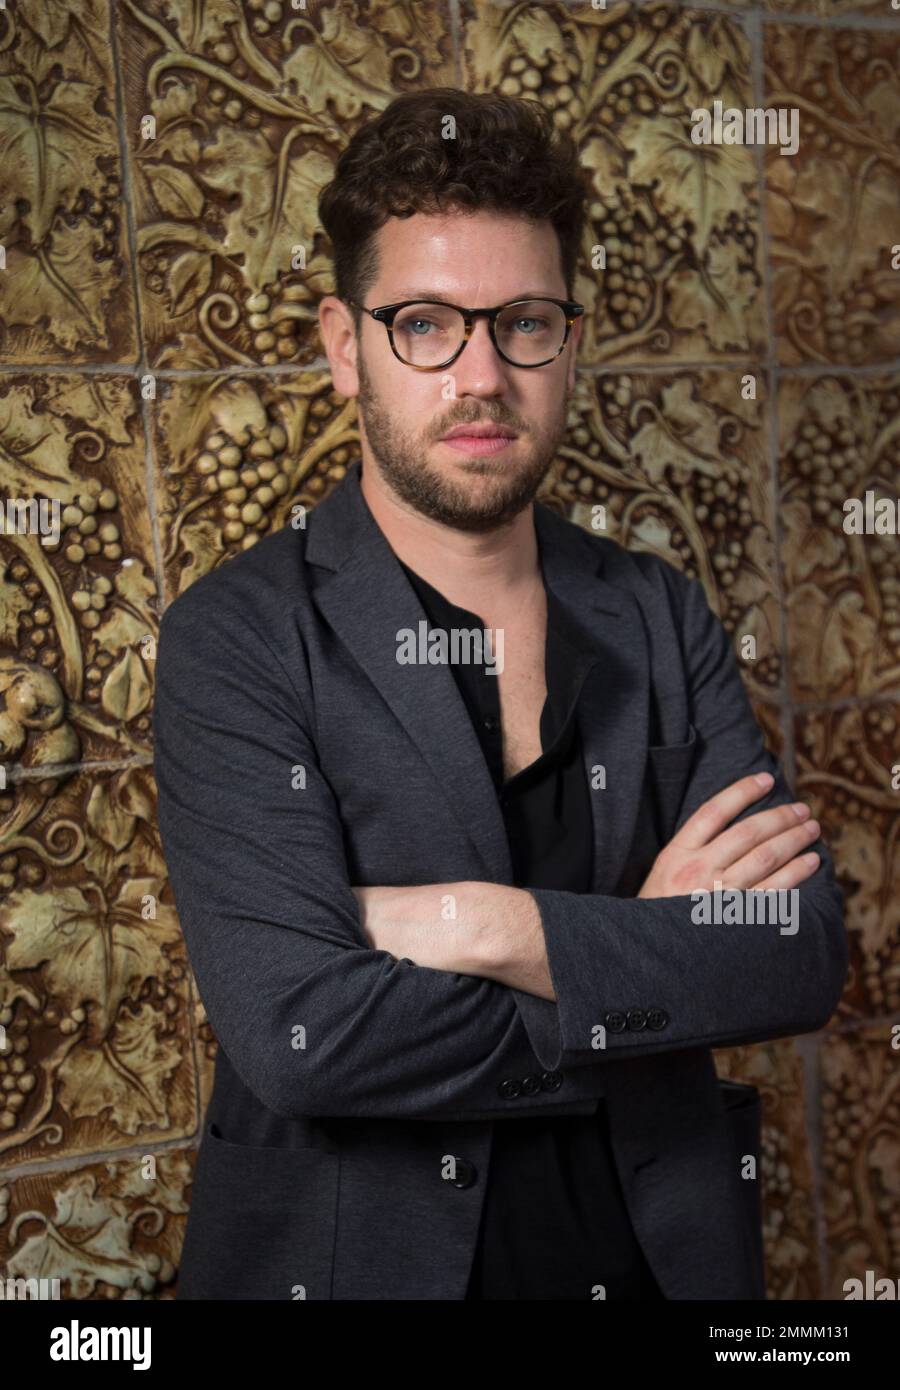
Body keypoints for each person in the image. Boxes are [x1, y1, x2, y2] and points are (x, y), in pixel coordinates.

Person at [153, 89, 848, 1301]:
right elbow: (305, 1037)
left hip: (659, 1270)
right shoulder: (237, 638)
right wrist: (644, 966)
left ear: (569, 339)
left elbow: (791, 959)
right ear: (341, 343)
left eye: (523, 323)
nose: (481, 375)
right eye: (425, 323)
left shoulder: (657, 611)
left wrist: (484, 924)